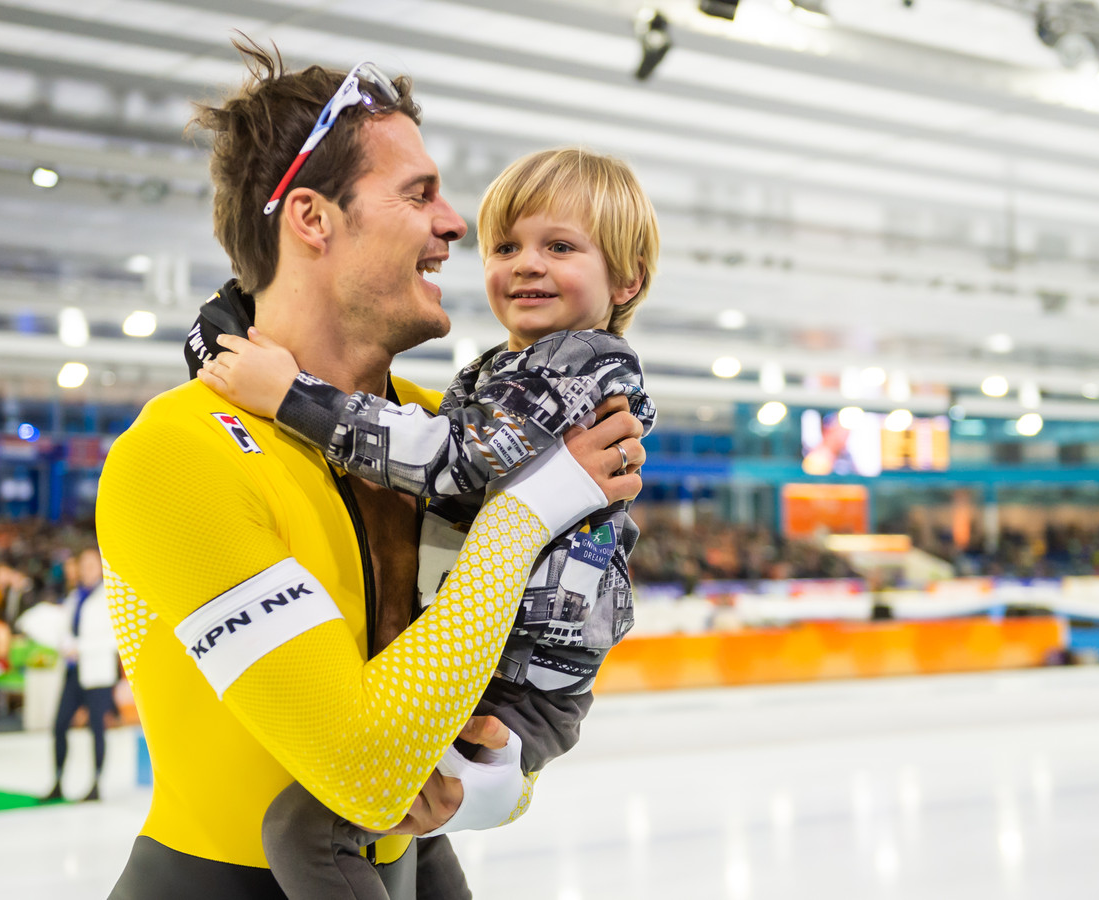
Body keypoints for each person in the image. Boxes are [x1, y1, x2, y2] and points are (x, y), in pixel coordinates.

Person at [96, 42, 646, 899]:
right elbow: (359, 770)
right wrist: (529, 510)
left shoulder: (439, 429)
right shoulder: (178, 454)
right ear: (312, 218)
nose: (458, 225)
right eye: (419, 193)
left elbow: (521, 682)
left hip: (407, 868)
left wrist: (490, 785)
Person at [199, 146, 660, 899]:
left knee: (308, 832)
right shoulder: (500, 370)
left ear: (627, 278)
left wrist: (293, 398)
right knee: (400, 834)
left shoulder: (587, 366)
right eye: (505, 246)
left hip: (515, 684)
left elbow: (456, 458)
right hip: (490, 666)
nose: (526, 265)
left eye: (561, 247)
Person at [39, 546, 120, 803]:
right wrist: (65, 645)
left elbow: (114, 639)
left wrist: (81, 648)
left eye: (91, 565)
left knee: (97, 728)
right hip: (73, 672)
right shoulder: (76, 597)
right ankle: (58, 780)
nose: (86, 570)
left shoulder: (109, 597)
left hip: (97, 673)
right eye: (83, 565)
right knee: (60, 725)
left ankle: (96, 784)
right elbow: (66, 629)